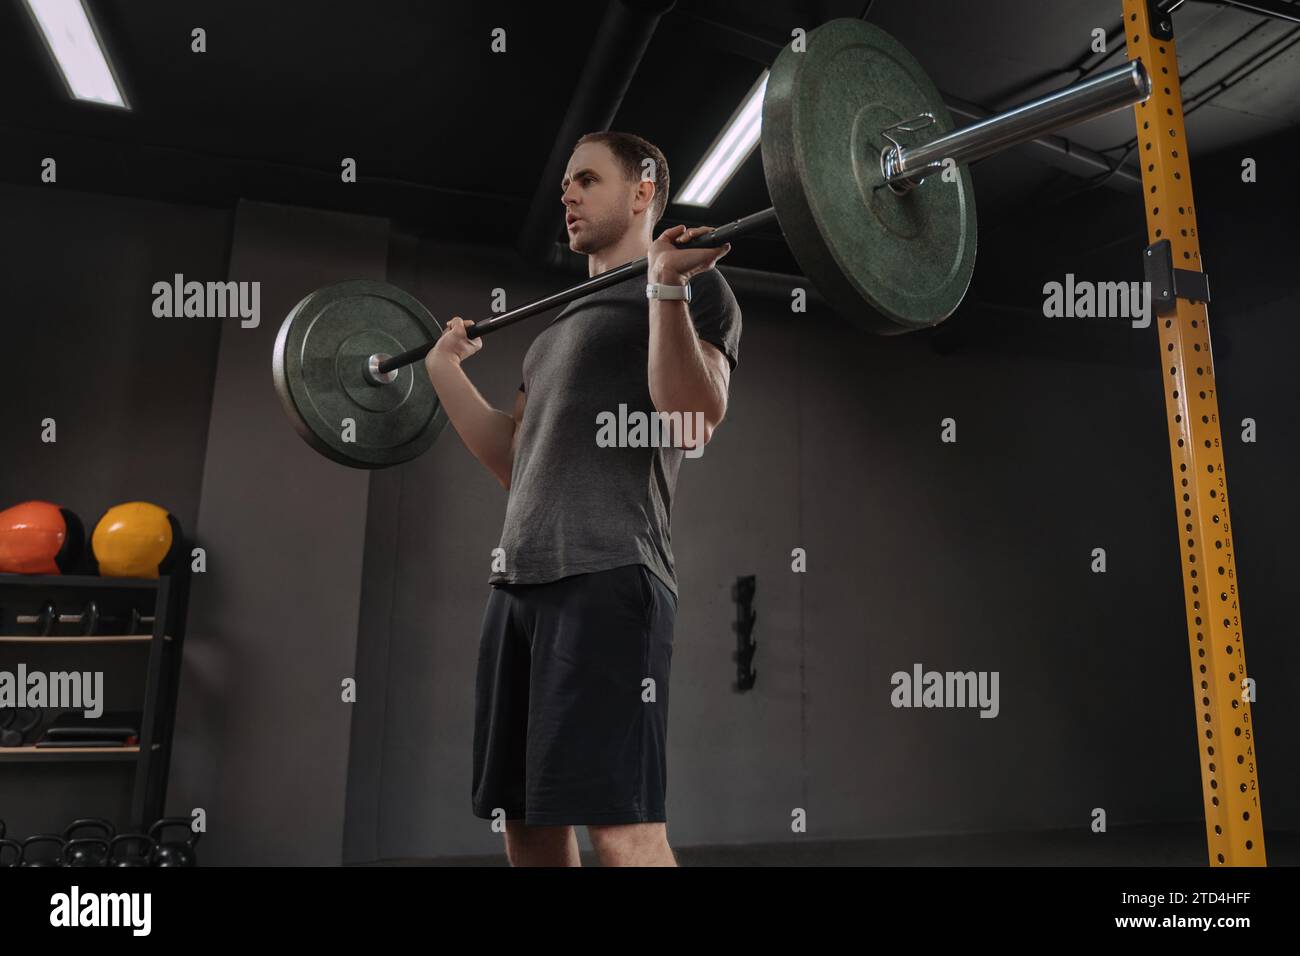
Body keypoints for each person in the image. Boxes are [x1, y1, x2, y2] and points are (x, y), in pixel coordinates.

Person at [425, 131, 742, 866]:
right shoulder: (550, 336)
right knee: (527, 823)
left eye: (587, 179)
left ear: (643, 191)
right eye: (566, 181)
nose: (566, 193)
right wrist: (445, 373)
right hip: (517, 584)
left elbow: (692, 417)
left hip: (609, 576)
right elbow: (517, 460)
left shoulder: (696, 283)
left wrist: (665, 285)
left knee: (621, 829)